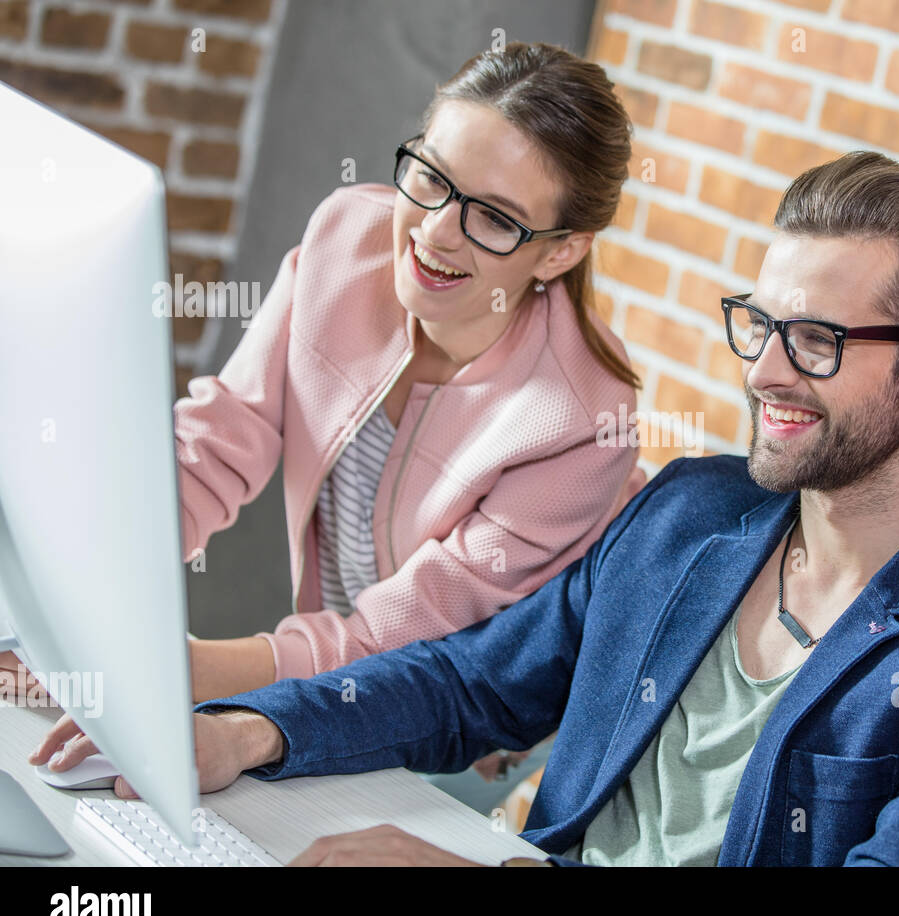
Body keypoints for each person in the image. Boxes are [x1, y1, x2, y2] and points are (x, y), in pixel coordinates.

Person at [34, 151, 899, 866]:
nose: (767, 372)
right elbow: (474, 680)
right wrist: (252, 730)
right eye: (757, 324)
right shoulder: (695, 510)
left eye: (817, 341)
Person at [7, 42, 646, 779]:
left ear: (561, 253)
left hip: (470, 744)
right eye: (432, 177)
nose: (435, 232)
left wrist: (164, 669)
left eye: (495, 219)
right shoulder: (346, 239)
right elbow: (213, 448)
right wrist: (66, 606)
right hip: (318, 688)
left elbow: (401, 638)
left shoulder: (582, 419)